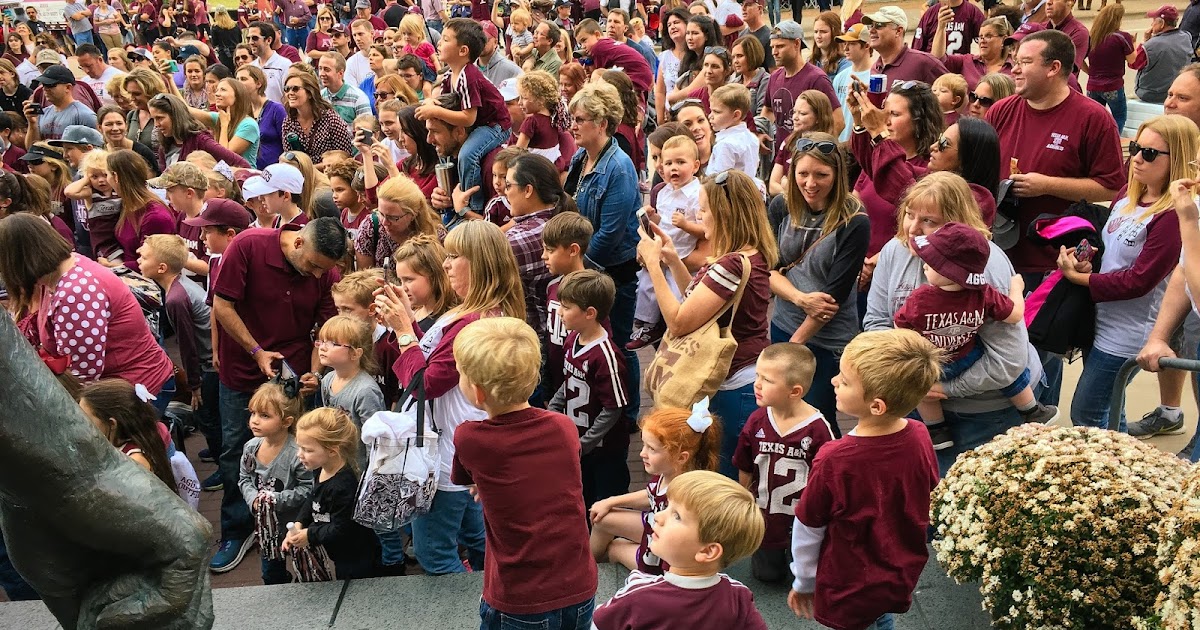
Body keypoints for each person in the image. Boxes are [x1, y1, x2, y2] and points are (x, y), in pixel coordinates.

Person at [863, 173, 1044, 472]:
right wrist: (910, 381)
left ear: (957, 226)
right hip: (917, 396)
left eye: (930, 222)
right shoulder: (895, 249)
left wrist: (944, 388)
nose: (913, 229)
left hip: (985, 410)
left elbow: (1009, 361)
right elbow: (877, 323)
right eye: (909, 215)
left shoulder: (986, 265)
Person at [374, 220, 524, 576]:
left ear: (479, 263)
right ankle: (496, 593)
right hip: (460, 449)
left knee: (435, 555)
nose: (446, 264)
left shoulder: (473, 320)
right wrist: (408, 324)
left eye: (454, 256)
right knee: (479, 536)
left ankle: (482, 608)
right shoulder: (475, 309)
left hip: (446, 455)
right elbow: (426, 363)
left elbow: (425, 383)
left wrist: (402, 330)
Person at [210, 217, 345, 573]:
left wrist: (315, 372)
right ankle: (238, 531)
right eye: (315, 266)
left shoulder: (326, 274)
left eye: (325, 271)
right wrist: (256, 351)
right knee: (236, 449)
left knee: (298, 453)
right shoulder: (248, 245)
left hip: (292, 377)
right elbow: (222, 306)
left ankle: (294, 526)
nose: (318, 276)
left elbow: (324, 331)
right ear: (298, 244)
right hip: (242, 370)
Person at [447, 317, 599, 627]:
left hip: (520, 598)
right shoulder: (563, 427)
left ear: (478, 393)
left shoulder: (470, 437)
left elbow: (468, 478)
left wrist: (483, 482)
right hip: (580, 586)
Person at [788, 329, 940, 630]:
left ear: (876, 406)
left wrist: (804, 580)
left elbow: (808, 526)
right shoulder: (919, 434)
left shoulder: (835, 458)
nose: (833, 381)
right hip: (898, 570)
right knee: (880, 617)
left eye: (844, 381)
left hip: (850, 579)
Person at [637, 170, 776, 477]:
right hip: (743, 374)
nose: (699, 216)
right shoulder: (747, 255)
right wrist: (673, 260)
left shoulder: (729, 263)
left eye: (703, 209)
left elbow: (678, 321)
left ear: (723, 215)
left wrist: (653, 266)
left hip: (732, 381)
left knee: (719, 478)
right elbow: (698, 302)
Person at [1062, 115, 1195, 431]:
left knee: (1087, 413)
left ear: (1176, 159)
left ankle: (1122, 474)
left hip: (1131, 332)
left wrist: (1079, 279)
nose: (1136, 158)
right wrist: (1089, 259)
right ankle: (1125, 470)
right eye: (1135, 147)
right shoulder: (1128, 194)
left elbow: (1140, 280)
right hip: (1103, 318)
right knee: (1110, 408)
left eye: (1149, 153)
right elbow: (1115, 250)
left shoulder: (1174, 213)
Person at [896, 222, 1057, 448]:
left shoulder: (919, 299)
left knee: (923, 386)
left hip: (936, 361)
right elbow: (1015, 314)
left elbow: (900, 328)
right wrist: (1016, 288)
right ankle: (1031, 410)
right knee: (1009, 372)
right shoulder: (983, 294)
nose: (924, 266)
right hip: (967, 357)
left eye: (930, 263)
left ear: (948, 272)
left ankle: (936, 430)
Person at [0, 215, 176, 409]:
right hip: (118, 387)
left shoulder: (76, 293)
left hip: (133, 393)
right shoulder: (61, 271)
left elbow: (83, 377)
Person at [768, 134, 870, 427]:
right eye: (803, 174)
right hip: (784, 323)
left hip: (827, 338)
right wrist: (800, 299)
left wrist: (794, 347)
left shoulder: (854, 220)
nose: (810, 183)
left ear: (837, 175)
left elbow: (832, 298)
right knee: (783, 413)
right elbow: (769, 269)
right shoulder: (781, 206)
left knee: (818, 417)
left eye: (821, 175)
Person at [593, 471, 768, 629]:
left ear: (708, 551)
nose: (659, 517)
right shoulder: (738, 596)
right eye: (667, 507)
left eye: (676, 516)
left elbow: (597, 625)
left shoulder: (637, 596)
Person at [564, 82, 642, 412]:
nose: (573, 125)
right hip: (588, 264)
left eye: (580, 119)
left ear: (602, 124)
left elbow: (609, 232)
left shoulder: (619, 167)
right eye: (572, 118)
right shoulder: (582, 156)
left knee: (619, 343)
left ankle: (629, 412)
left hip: (611, 271)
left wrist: (580, 271)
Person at [732, 343, 834, 584]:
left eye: (767, 379)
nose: (757, 384)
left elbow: (827, 481)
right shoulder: (757, 420)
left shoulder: (818, 429)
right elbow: (745, 465)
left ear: (794, 391)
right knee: (767, 577)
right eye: (757, 375)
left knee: (809, 574)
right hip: (766, 519)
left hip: (804, 521)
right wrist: (747, 502)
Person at [589, 405, 722, 573]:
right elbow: (651, 495)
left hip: (659, 560)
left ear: (681, 457)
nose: (642, 453)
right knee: (602, 518)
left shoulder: (686, 494)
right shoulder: (669, 471)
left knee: (615, 547)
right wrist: (611, 501)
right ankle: (588, 568)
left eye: (652, 449)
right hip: (653, 527)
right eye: (644, 445)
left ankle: (602, 579)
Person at [547, 270, 630, 507]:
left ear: (590, 313)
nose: (560, 312)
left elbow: (613, 408)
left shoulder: (606, 356)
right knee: (581, 497)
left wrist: (587, 442)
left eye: (567, 307)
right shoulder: (573, 338)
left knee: (605, 502)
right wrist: (554, 409)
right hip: (578, 440)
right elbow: (568, 380)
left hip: (603, 450)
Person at [849, 80, 943, 287]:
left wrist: (877, 262)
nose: (885, 120)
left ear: (919, 120)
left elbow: (907, 195)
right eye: (885, 112)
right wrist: (858, 120)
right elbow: (853, 206)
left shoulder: (932, 168)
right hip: (858, 265)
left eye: (895, 114)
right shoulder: (879, 156)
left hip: (900, 271)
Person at [415, 19, 511, 216]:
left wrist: (434, 111)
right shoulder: (451, 74)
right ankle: (451, 194)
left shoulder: (469, 76)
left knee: (469, 155)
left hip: (496, 125)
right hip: (481, 123)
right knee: (446, 156)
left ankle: (472, 202)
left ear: (463, 50)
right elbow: (448, 101)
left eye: (445, 39)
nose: (439, 43)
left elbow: (468, 118)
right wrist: (432, 103)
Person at [137, 234, 217, 448]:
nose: (138, 259)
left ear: (162, 268)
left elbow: (188, 345)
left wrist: (194, 385)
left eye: (144, 258)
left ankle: (221, 462)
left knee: (207, 417)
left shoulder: (176, 298)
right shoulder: (179, 286)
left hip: (209, 366)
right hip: (208, 361)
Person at [282, 407, 379, 579]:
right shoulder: (321, 469)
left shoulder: (343, 486)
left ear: (332, 451)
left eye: (308, 450)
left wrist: (309, 535)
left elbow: (342, 528)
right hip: (340, 553)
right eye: (300, 448)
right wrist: (299, 523)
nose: (299, 455)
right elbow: (312, 498)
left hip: (356, 558)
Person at [629, 135, 706, 350]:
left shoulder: (697, 193)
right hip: (661, 250)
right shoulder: (662, 192)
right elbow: (661, 223)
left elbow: (707, 231)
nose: (673, 168)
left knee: (677, 295)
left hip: (682, 255)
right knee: (645, 285)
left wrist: (686, 225)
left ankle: (678, 330)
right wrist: (651, 219)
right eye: (668, 162)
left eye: (680, 162)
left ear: (695, 166)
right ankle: (646, 324)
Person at [79, 379, 199, 509]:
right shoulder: (141, 436)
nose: (81, 423)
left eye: (86, 418)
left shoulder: (135, 461)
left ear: (112, 424)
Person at [238, 382, 311, 585]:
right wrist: (254, 499)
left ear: (287, 421)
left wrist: (274, 499)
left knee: (305, 568)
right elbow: (244, 479)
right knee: (271, 575)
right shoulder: (251, 447)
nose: (255, 421)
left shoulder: (297, 452)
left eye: (265, 416)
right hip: (266, 529)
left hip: (295, 525)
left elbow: (308, 488)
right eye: (253, 413)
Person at [762, 21, 843, 159]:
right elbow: (768, 110)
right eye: (772, 47)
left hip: (806, 159)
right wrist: (761, 132)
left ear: (797, 44)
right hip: (781, 157)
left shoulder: (816, 78)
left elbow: (838, 120)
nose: (774, 52)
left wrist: (818, 153)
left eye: (780, 46)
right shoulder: (774, 77)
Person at [317, 315, 386, 470]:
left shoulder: (365, 391)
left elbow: (375, 440)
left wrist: (371, 472)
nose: (322, 347)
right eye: (321, 341)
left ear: (355, 353)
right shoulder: (327, 380)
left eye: (333, 343)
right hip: (334, 463)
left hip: (357, 469)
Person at [542, 212, 596, 406]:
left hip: (583, 389)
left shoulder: (593, 292)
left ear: (573, 250)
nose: (543, 256)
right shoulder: (551, 287)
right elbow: (550, 339)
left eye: (550, 250)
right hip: (558, 381)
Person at [353, 174, 443, 270]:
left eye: (393, 218)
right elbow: (364, 277)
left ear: (413, 214)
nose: (384, 222)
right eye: (381, 214)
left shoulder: (436, 236)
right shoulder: (370, 227)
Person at [150, 94, 250, 171]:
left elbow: (241, 164)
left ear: (175, 116)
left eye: (160, 118)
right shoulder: (165, 145)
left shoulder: (200, 140)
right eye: (154, 119)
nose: (156, 124)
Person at [864, 7, 948, 87]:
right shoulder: (875, 68)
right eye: (870, 26)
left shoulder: (923, 63)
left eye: (879, 25)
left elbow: (954, 91)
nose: (871, 30)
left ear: (898, 31)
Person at [1083, 4, 1135, 132]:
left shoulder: (1093, 37)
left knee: (1095, 118)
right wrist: (1133, 44)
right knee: (1119, 116)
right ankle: (1114, 141)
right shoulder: (1122, 37)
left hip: (1093, 85)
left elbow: (1078, 59)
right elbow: (1132, 60)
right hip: (1113, 85)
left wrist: (1090, 72)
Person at [281, 70, 355, 159]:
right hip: (299, 171)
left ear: (310, 93)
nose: (290, 93)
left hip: (330, 171)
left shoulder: (331, 120)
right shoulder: (288, 122)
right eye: (287, 89)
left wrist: (310, 169)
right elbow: (289, 157)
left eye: (295, 89)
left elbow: (345, 157)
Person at [932, 16, 1014, 92]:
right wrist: (941, 27)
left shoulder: (1014, 68)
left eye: (988, 36)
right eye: (980, 37)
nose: (982, 41)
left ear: (1004, 40)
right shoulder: (967, 61)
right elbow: (937, 59)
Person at [575, 18, 654, 95]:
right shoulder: (608, 43)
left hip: (637, 77)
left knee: (597, 76)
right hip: (644, 76)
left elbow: (600, 76)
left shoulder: (598, 48)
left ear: (597, 35)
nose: (582, 46)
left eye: (584, 41)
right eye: (580, 44)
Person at [1134, 5, 1194, 105]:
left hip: (1151, 93)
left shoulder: (1150, 45)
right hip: (1178, 89)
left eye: (1154, 21)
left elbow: (1134, 63)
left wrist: (1145, 42)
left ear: (1162, 24)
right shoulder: (1186, 36)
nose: (1152, 24)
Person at [24, 65, 96, 147]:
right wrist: (32, 124)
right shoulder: (43, 113)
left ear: (68, 87)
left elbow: (93, 150)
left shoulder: (84, 115)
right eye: (43, 85)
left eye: (50, 85)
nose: (45, 89)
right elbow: (32, 148)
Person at [235, 65, 287, 169]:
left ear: (258, 83)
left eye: (243, 79)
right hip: (247, 170)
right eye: (237, 79)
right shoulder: (241, 112)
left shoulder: (276, 109)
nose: (238, 83)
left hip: (273, 170)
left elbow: (288, 146)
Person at [707, 84, 761, 177]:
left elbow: (719, 180)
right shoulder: (752, 138)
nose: (710, 116)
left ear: (736, 115)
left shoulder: (726, 145)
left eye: (717, 112)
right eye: (711, 111)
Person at [912, 0, 984, 55]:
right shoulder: (930, 13)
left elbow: (987, 40)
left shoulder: (973, 12)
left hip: (958, 69)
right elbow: (917, 49)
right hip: (933, 68)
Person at [318, 52, 372, 126]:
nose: (322, 73)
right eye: (320, 68)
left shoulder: (358, 97)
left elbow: (368, 129)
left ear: (340, 73)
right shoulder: (319, 97)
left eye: (327, 70)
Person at [248, 22, 294, 103]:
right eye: (248, 38)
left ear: (268, 40)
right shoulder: (250, 67)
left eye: (255, 38)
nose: (250, 42)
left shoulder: (284, 65)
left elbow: (289, 96)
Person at [1044, 0, 1087, 80]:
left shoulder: (1078, 32)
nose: (1049, 2)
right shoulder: (1040, 29)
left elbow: (1066, 72)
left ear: (1070, 2)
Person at [810, 12, 850, 80]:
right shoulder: (811, 61)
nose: (818, 36)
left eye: (823, 32)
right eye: (816, 32)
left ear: (835, 33)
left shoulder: (845, 62)